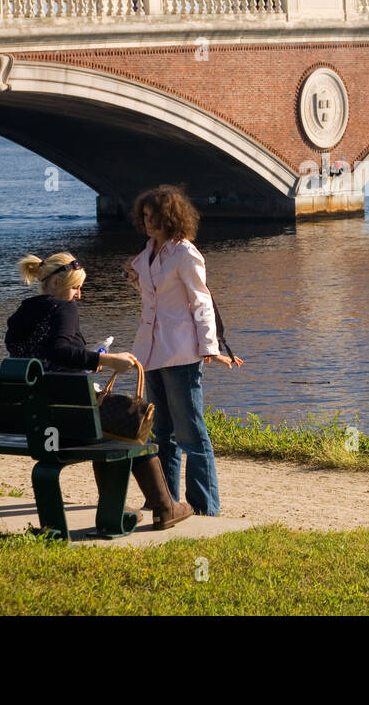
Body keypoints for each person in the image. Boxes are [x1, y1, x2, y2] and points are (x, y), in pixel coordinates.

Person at [6, 252, 193, 530]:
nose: (79, 295)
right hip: (70, 423)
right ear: (56, 283)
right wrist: (106, 359)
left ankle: (123, 505)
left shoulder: (22, 312)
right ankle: (164, 508)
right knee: (129, 431)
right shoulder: (63, 308)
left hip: (38, 425)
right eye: (76, 287)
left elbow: (36, 354)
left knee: (104, 429)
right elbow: (60, 350)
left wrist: (83, 359)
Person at [123, 185, 243, 516]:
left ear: (169, 217)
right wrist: (134, 278)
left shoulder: (185, 253)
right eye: (144, 216)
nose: (147, 222)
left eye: (153, 216)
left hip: (180, 352)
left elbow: (201, 301)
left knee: (191, 433)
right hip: (151, 352)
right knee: (161, 432)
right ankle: (165, 503)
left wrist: (210, 347)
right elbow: (154, 295)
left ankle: (205, 508)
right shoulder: (148, 250)